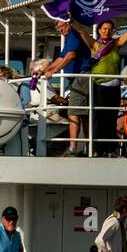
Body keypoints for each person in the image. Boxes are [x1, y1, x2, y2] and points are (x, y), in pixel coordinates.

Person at [75, 13, 127, 157]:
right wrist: (71, 19)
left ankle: (110, 149)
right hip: (99, 86)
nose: (107, 31)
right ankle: (98, 149)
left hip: (114, 87)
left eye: (110, 29)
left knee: (111, 118)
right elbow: (81, 30)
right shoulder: (94, 44)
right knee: (98, 119)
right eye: (104, 29)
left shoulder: (115, 44)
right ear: (99, 30)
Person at [38, 16, 93, 157]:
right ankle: (87, 147)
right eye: (58, 28)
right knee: (82, 113)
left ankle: (74, 148)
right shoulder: (69, 37)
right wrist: (46, 70)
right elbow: (61, 58)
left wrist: (53, 71)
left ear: (68, 24)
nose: (60, 29)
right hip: (76, 79)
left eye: (61, 26)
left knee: (74, 112)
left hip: (81, 77)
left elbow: (71, 55)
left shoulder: (74, 33)